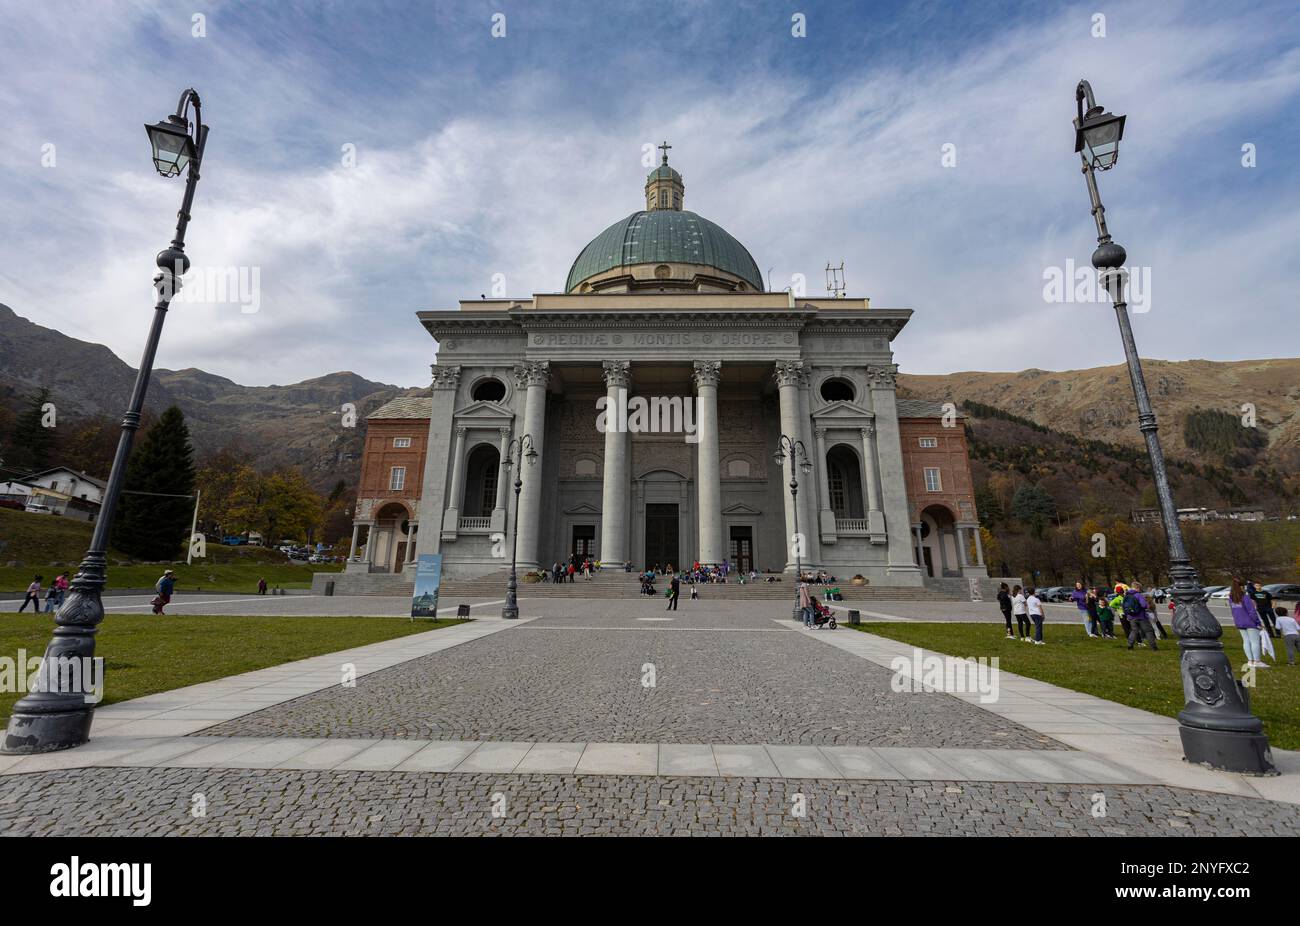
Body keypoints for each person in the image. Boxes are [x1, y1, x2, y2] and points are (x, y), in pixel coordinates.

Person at [1228, 577, 1266, 669]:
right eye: (1243, 586)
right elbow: (1251, 611)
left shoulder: (1231, 598)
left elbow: (1233, 611)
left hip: (1239, 622)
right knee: (1255, 642)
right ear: (1241, 587)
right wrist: (1258, 622)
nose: (1244, 588)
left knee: (1246, 641)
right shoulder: (1245, 597)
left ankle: (1250, 661)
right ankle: (1257, 661)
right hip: (1250, 622)